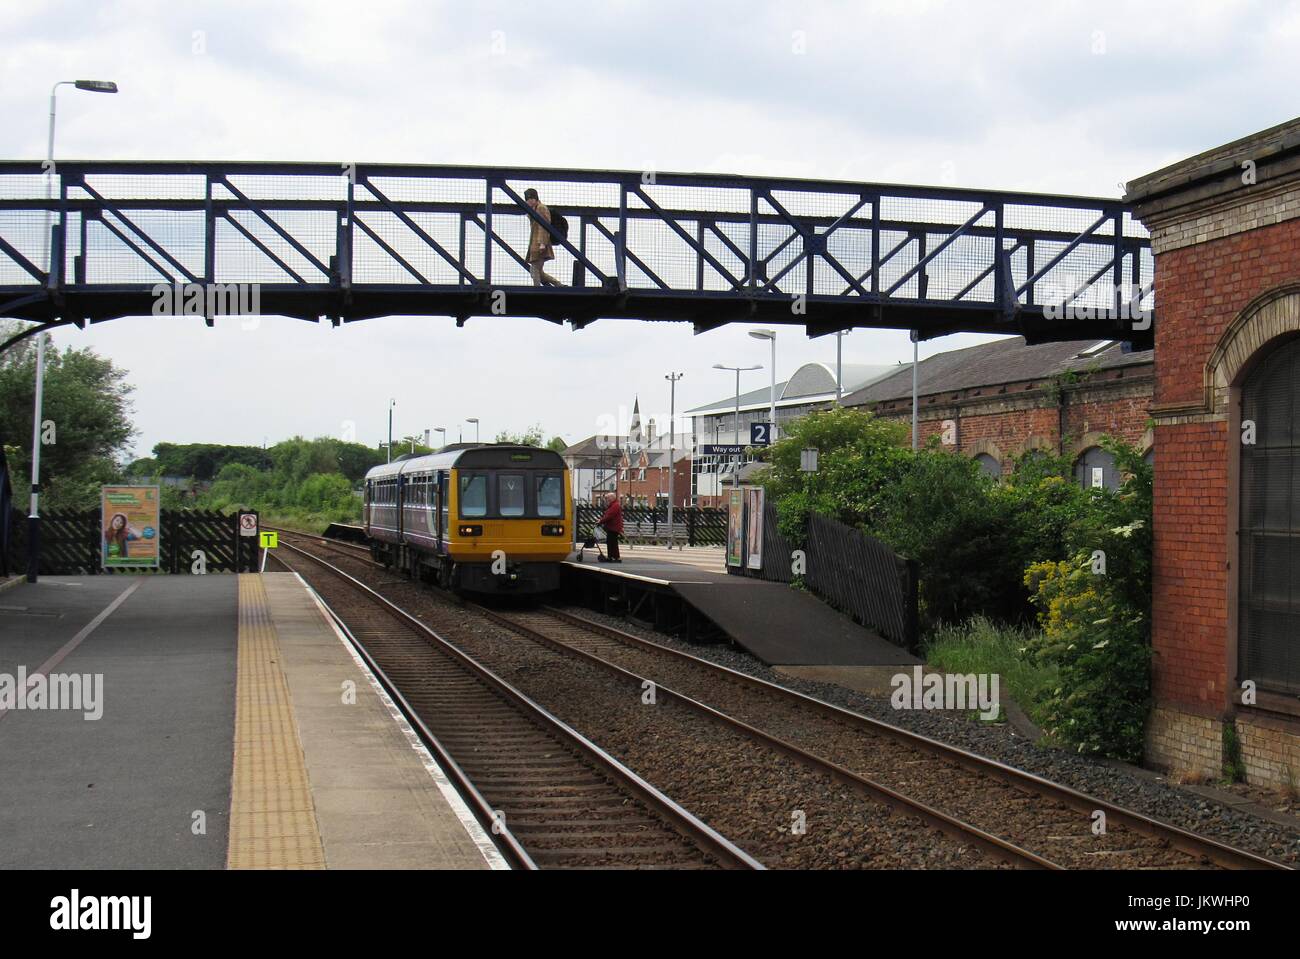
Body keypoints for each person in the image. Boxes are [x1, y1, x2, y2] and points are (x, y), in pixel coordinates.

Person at [524, 188, 561, 287]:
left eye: (531, 198)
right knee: (538, 271)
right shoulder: (534, 209)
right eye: (527, 199)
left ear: (536, 198)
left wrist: (542, 243)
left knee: (535, 270)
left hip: (539, 244)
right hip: (535, 244)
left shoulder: (541, 208)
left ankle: (536, 289)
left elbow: (544, 226)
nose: (529, 201)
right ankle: (558, 284)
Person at [597, 492, 623, 563]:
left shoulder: (615, 506)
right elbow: (608, 515)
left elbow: (609, 516)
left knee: (612, 542)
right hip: (613, 527)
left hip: (613, 527)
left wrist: (601, 521)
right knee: (611, 542)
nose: (607, 499)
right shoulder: (613, 505)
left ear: (612, 498)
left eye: (607, 498)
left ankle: (613, 557)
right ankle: (613, 557)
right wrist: (601, 520)